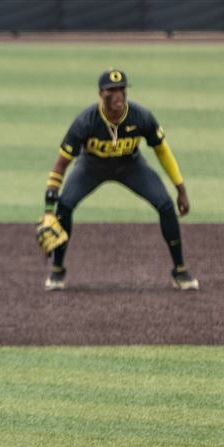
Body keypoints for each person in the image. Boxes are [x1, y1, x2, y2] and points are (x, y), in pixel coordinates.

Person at [42, 68, 199, 291]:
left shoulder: (141, 116)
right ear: (100, 94)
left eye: (121, 89)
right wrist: (49, 209)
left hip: (130, 166)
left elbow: (162, 150)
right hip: (91, 167)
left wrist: (181, 189)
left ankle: (180, 270)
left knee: (165, 205)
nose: (118, 95)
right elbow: (60, 164)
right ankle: (57, 270)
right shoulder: (85, 122)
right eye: (111, 91)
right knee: (64, 206)